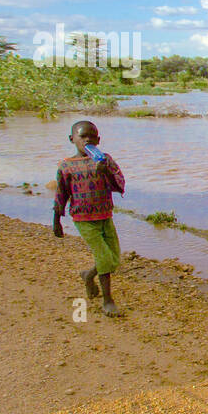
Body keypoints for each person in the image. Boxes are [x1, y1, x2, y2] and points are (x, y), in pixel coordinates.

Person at [53, 120, 126, 316]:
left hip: (105, 215)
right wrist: (56, 220)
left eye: (92, 137)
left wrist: (106, 173)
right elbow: (61, 194)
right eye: (82, 136)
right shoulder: (66, 166)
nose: (87, 140)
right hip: (83, 219)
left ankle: (88, 275)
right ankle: (108, 300)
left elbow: (119, 184)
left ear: (98, 140)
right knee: (103, 257)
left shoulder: (105, 160)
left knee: (114, 259)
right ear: (72, 139)